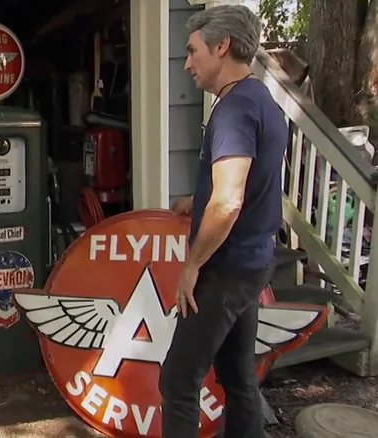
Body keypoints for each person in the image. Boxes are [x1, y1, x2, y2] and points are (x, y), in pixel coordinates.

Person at [158, 5, 287, 438]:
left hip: (224, 268)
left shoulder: (233, 109)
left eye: (193, 51)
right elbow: (247, 186)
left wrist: (192, 265)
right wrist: (197, 200)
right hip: (252, 263)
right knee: (236, 378)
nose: (188, 62)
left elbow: (230, 200)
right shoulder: (262, 100)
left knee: (178, 380)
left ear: (222, 46)